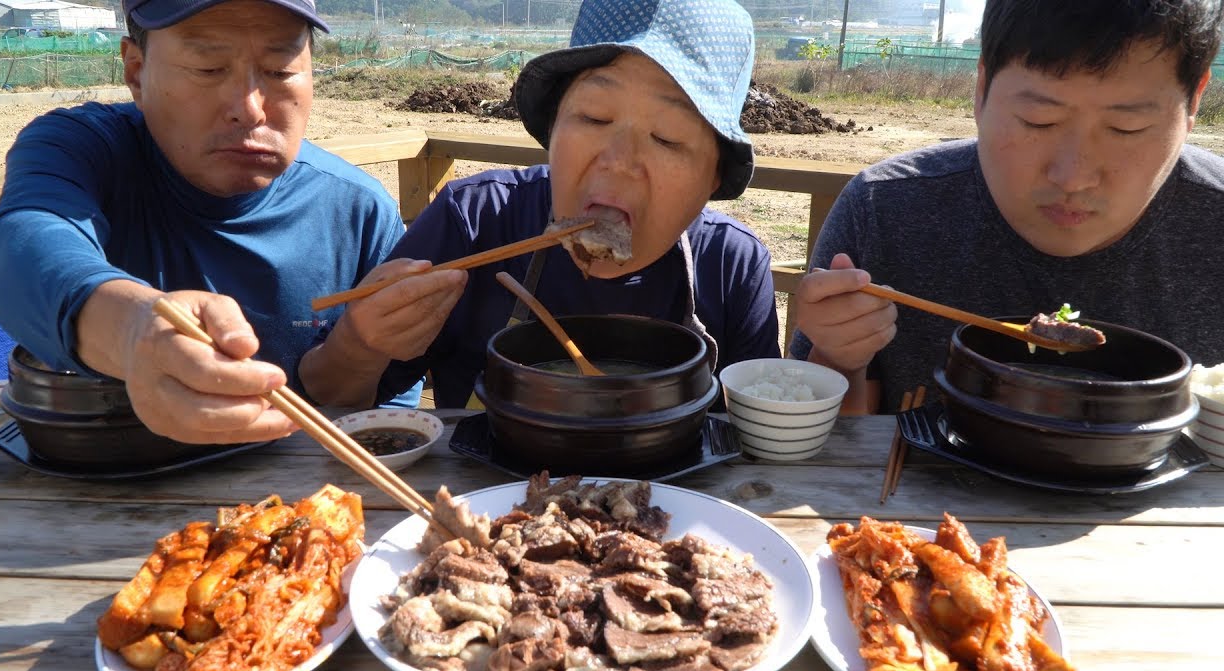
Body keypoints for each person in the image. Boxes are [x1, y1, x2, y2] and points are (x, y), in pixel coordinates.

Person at [0, 0, 431, 445]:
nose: (250, 109)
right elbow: (26, 246)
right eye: (209, 68)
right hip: (95, 484)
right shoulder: (84, 151)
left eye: (279, 70)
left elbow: (390, 410)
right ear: (136, 72)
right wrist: (137, 328)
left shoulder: (358, 211)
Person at [303, 0, 781, 409]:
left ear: (715, 176)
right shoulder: (473, 222)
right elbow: (331, 401)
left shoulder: (732, 267)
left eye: (668, 139)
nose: (618, 162)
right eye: (594, 117)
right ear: (552, 128)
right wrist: (357, 346)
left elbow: (760, 447)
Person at [788, 0, 1224, 414]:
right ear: (981, 90)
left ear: (1194, 103)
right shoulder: (884, 208)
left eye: (1127, 127)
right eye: (1040, 120)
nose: (1072, 176)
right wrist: (840, 361)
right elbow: (824, 453)